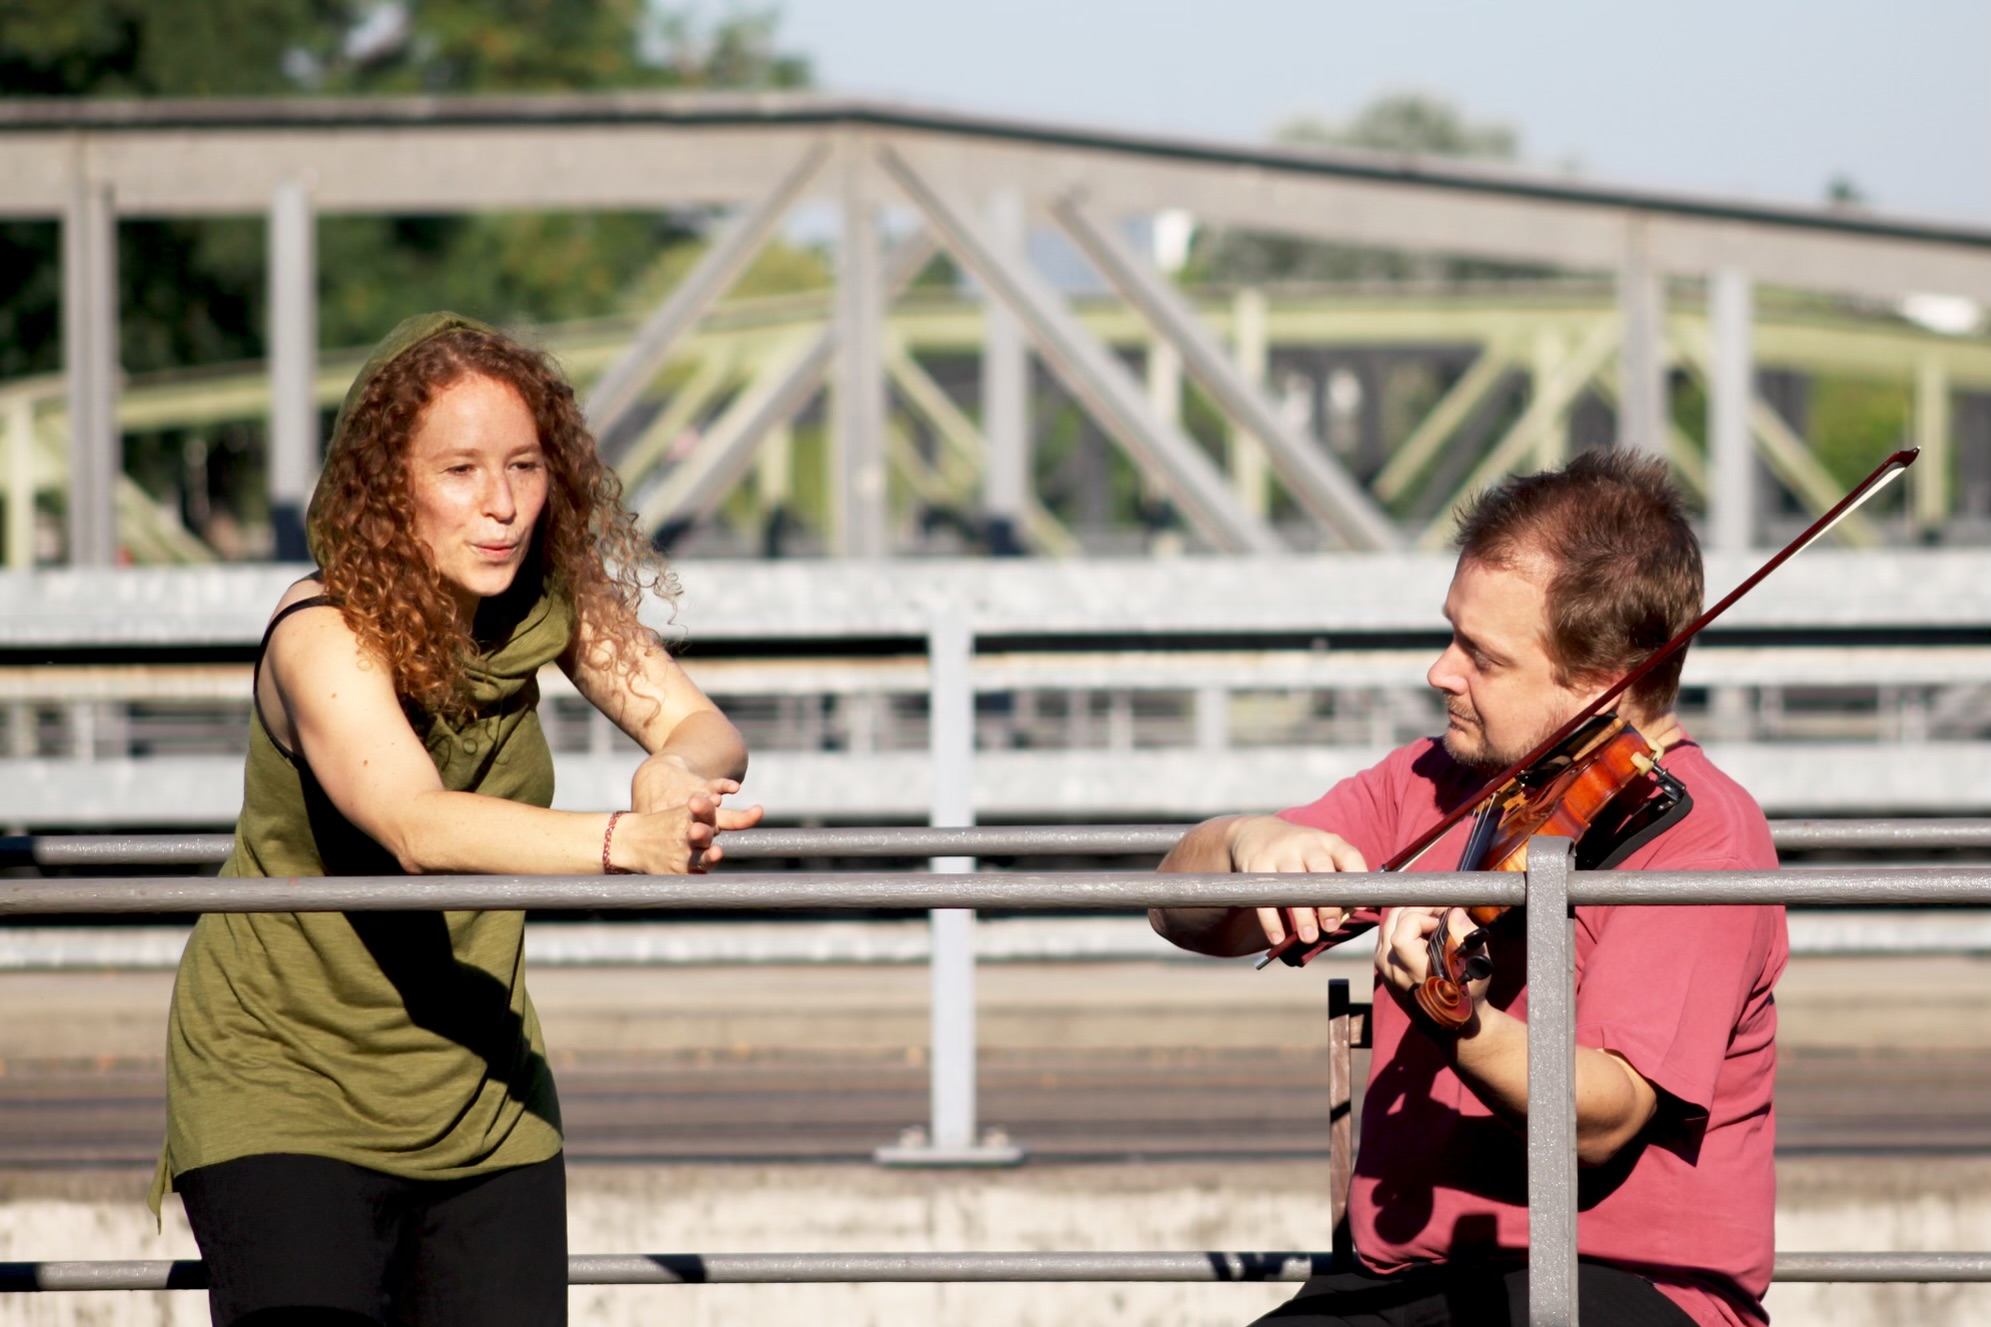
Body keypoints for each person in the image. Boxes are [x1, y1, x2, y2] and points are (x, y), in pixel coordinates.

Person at [150, 312, 763, 1327]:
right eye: (462, 471)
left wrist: (671, 775)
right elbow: (414, 825)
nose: (504, 506)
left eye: (524, 466)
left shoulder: (542, 602)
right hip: (286, 1079)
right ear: (387, 490)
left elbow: (700, 725)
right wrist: (621, 839)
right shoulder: (323, 632)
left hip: (482, 1098)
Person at [1151, 451, 1784, 1327]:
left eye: (1480, 655)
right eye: (1451, 633)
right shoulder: (1438, 779)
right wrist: (1250, 842)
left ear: (1600, 686)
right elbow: (1176, 911)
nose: (1439, 672)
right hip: (1402, 1282)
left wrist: (1458, 1019)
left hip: (1625, 1287)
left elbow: (1601, 1121)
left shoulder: (1699, 832)